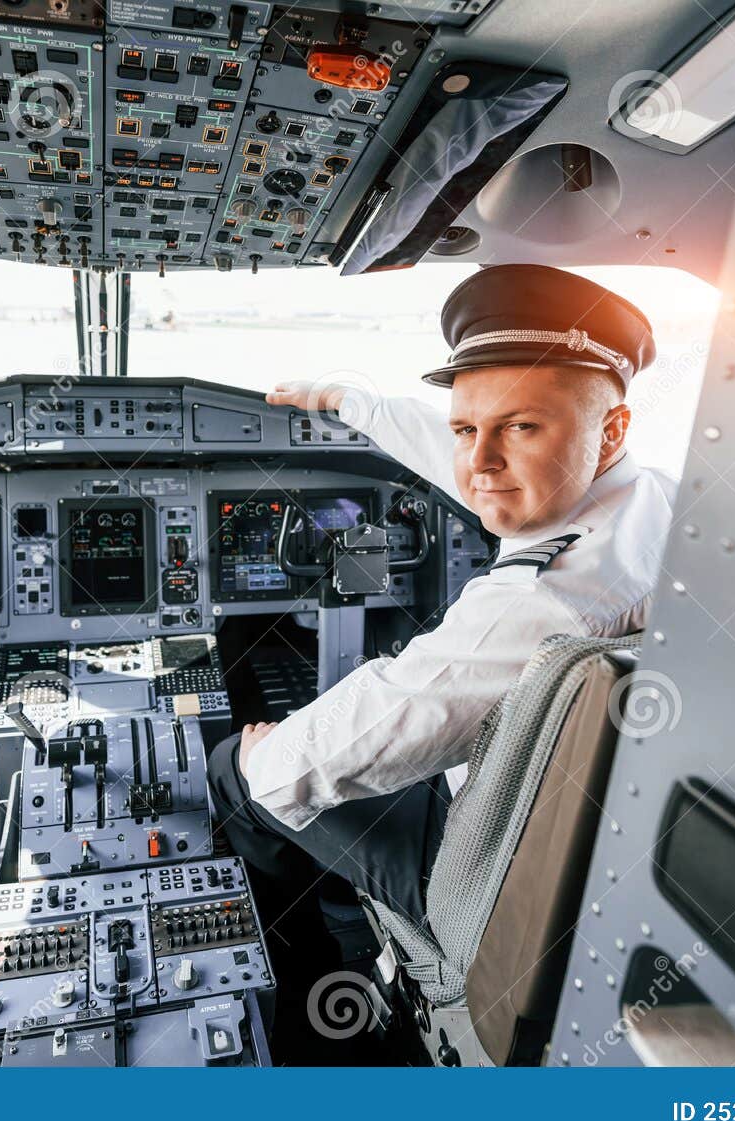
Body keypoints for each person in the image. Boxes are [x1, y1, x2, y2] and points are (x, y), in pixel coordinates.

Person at [206, 264, 679, 992]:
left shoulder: (550, 596)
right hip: (588, 834)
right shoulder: (652, 498)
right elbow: (480, 465)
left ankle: (309, 971)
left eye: (521, 426)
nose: (481, 461)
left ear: (612, 428)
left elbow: (388, 715)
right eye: (466, 427)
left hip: (489, 876)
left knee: (240, 772)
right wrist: (353, 404)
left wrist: (265, 756)